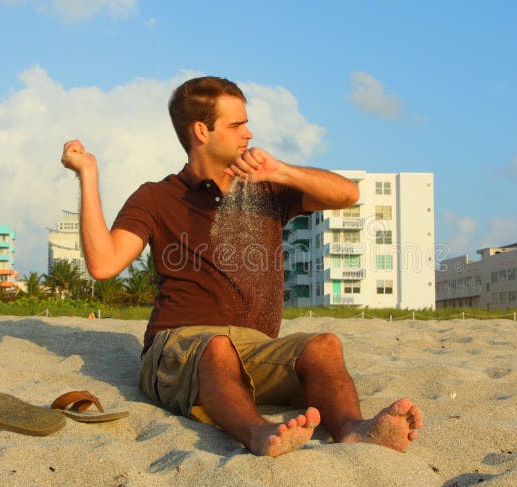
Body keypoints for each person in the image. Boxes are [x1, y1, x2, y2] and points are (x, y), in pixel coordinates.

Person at [60, 76, 422, 457]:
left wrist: (280, 171)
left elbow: (348, 194)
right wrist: (88, 174)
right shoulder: (156, 196)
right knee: (216, 347)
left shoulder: (265, 187)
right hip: (179, 348)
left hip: (254, 350)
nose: (248, 134)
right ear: (201, 131)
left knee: (324, 346)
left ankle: (352, 429)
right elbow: (103, 263)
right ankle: (257, 432)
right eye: (236, 125)